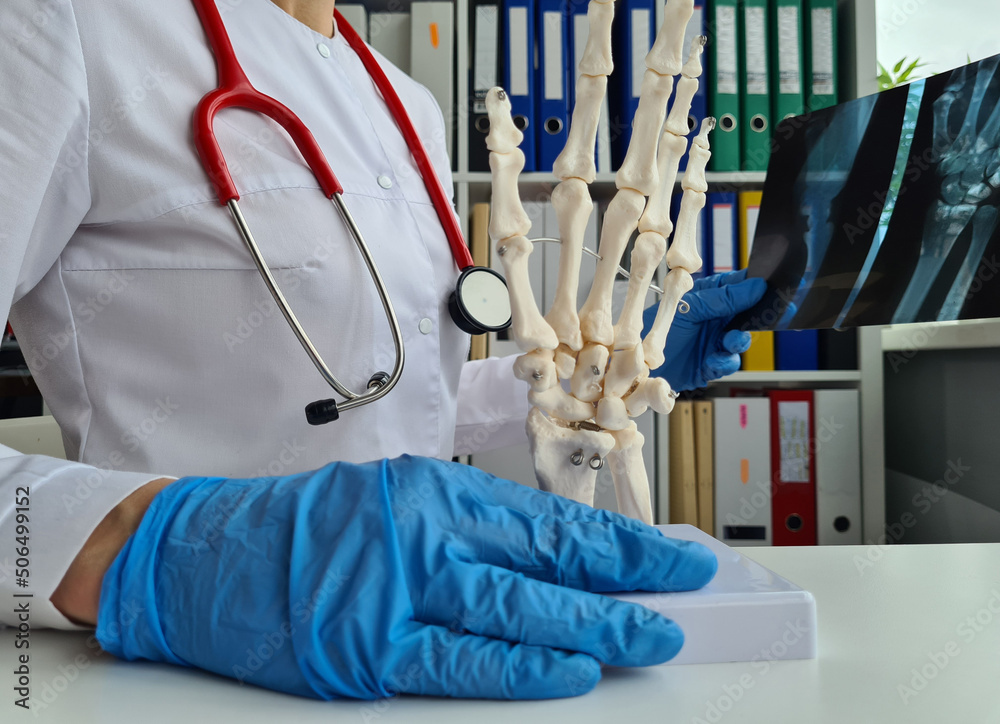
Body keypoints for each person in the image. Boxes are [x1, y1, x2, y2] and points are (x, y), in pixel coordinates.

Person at [0, 0, 767, 702]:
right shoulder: (62, 27)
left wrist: (577, 378)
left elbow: (377, 392)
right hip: (174, 677)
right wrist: (157, 551)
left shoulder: (406, 102)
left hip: (419, 651)